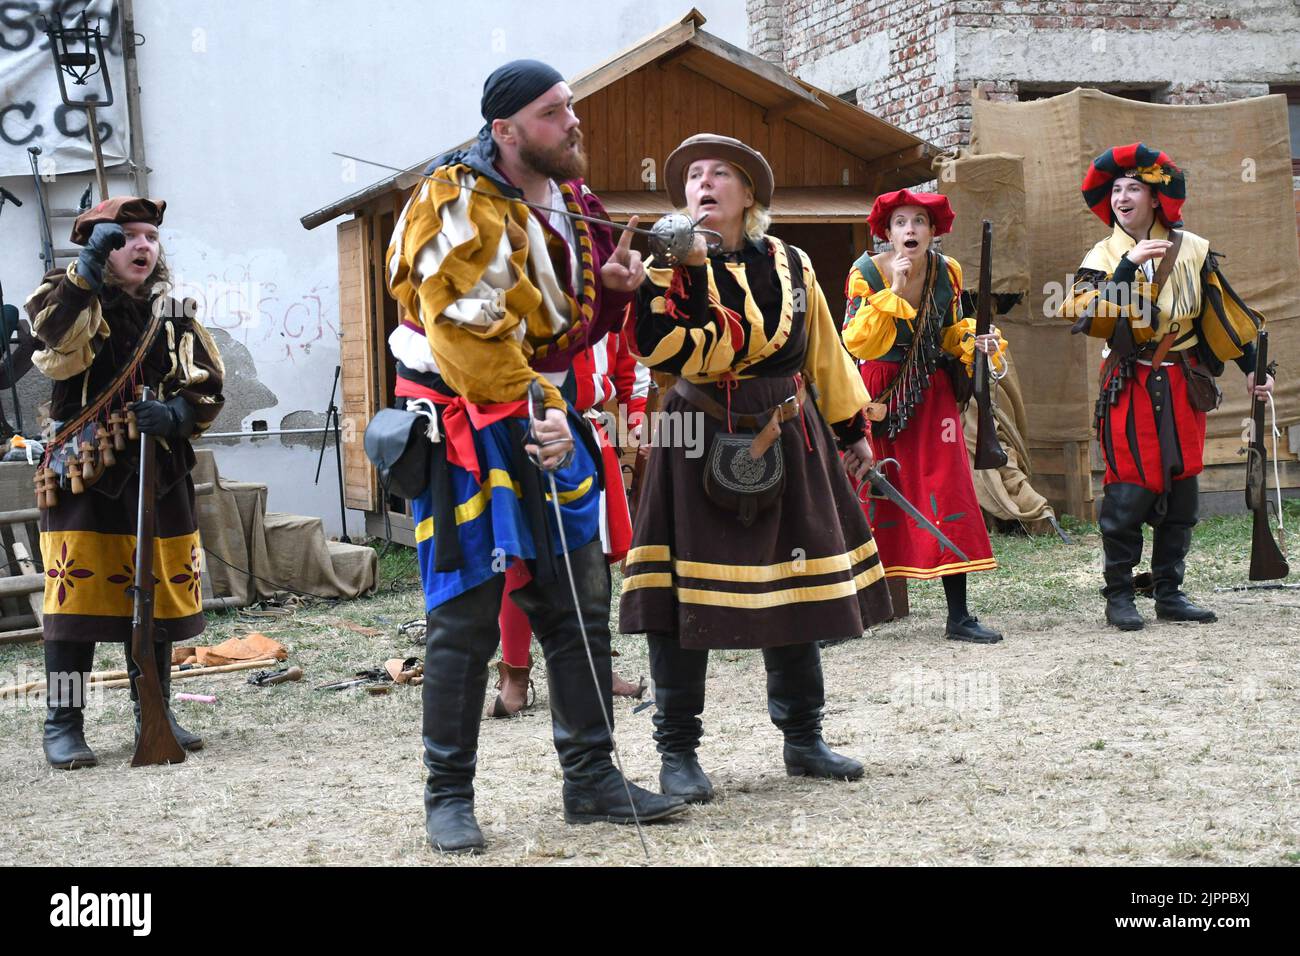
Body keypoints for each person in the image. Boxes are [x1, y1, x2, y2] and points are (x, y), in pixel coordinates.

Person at [386, 59, 686, 852]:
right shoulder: (451, 202)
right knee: (467, 614)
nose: (574, 122)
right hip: (468, 424)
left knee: (578, 605)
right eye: (555, 112)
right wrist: (541, 410)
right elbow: (467, 338)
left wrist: (616, 293)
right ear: (505, 129)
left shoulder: (575, 201)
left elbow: (562, 334)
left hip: (548, 419)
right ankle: (447, 795)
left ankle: (591, 779)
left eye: (572, 107)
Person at [619, 133, 894, 804]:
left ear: (749, 195)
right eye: (692, 178)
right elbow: (658, 348)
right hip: (692, 432)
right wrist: (667, 269)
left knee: (794, 587)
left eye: (718, 175)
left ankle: (803, 738)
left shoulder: (793, 264)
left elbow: (823, 353)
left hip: (787, 429)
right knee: (679, 600)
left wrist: (852, 430)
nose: (702, 184)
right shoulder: (670, 262)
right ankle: (677, 753)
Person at [24, 196, 225, 768]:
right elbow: (55, 350)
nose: (142, 246)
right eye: (126, 237)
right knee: (72, 607)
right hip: (82, 473)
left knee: (154, 604)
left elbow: (208, 385)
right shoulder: (59, 296)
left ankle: (155, 711)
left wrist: (180, 417)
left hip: (159, 472)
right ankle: (63, 721)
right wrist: (83, 276)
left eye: (149, 237)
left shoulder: (176, 312)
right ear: (99, 247)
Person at [1058, 143, 1270, 629]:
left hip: (1182, 381)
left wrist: (1254, 368)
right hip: (1128, 382)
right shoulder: (1103, 253)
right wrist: (1129, 266)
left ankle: (1170, 592)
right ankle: (1118, 596)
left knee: (1182, 491)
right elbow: (1083, 315)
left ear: (1156, 198)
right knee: (1129, 489)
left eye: (1134, 188)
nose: (1122, 196)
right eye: (1116, 189)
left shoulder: (1192, 248)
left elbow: (1223, 315)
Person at [841, 189, 1006, 643]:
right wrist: (893, 290)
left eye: (919, 222)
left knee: (948, 490)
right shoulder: (865, 272)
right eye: (900, 223)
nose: (909, 230)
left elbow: (951, 329)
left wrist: (975, 342)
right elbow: (855, 341)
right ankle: (849, 614)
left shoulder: (947, 271)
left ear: (934, 231)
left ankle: (959, 616)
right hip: (878, 391)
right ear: (887, 231)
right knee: (867, 493)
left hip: (930, 394)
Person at [488, 328, 651, 717]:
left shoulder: (607, 300)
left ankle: (597, 666)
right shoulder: (527, 291)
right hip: (525, 434)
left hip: (589, 434)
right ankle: (515, 672)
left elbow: (629, 366)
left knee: (592, 560)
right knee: (522, 559)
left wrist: (638, 419)